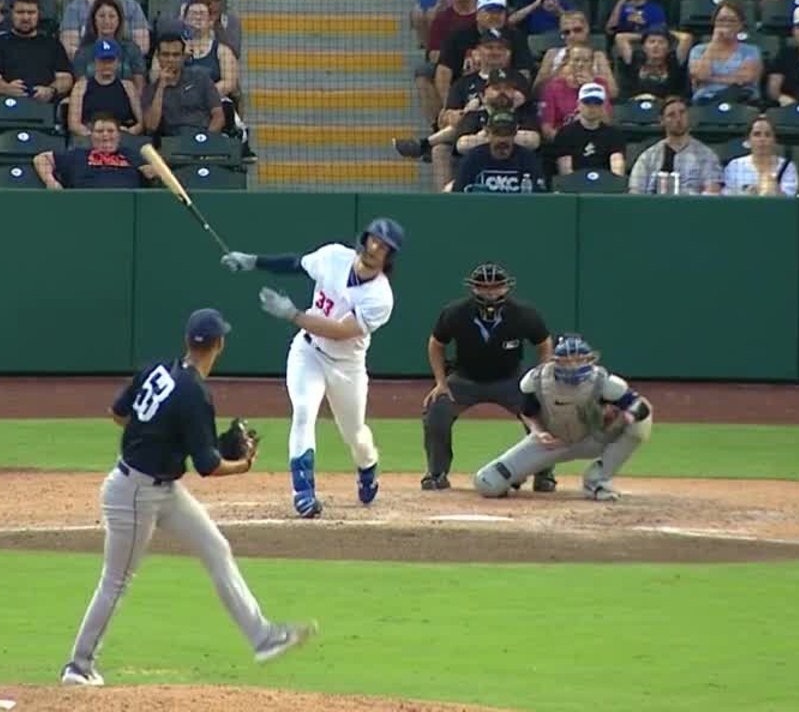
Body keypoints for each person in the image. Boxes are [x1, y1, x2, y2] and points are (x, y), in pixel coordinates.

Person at [59, 308, 317, 689]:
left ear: (187, 341)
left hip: (162, 489)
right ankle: (78, 666)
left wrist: (155, 431)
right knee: (116, 581)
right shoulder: (195, 393)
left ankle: (263, 637)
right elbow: (208, 466)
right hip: (133, 493)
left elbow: (117, 414)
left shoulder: (157, 370)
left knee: (216, 548)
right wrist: (243, 465)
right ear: (220, 345)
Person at [218, 218, 406, 519]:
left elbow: (339, 331)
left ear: (389, 256)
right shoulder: (334, 256)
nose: (374, 247)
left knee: (355, 434)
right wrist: (252, 261)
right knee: (304, 411)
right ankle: (303, 492)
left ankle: (367, 467)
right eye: (373, 239)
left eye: (383, 246)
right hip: (308, 352)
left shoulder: (380, 297)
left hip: (348, 366)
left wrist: (292, 313)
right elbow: (296, 264)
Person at [473, 334, 654, 502]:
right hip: (553, 441)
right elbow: (527, 412)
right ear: (556, 361)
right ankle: (518, 475)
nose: (573, 366)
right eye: (567, 361)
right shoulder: (536, 380)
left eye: (579, 360)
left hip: (594, 438)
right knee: (487, 483)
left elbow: (641, 406)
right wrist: (539, 432)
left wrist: (623, 418)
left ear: (590, 360)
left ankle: (597, 480)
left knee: (640, 425)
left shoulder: (604, 382)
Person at [422, 262, 554, 491]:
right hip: (465, 379)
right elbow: (436, 343)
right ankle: (436, 473)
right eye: (483, 287)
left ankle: (544, 475)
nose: (490, 292)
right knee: (437, 408)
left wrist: (541, 379)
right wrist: (441, 382)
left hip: (511, 380)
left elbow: (544, 343)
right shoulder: (456, 313)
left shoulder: (523, 314)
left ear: (506, 288)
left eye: (496, 287)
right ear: (473, 288)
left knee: (544, 411)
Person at [33, 111, 152, 190]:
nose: (105, 135)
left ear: (119, 135)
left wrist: (152, 170)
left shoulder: (131, 155)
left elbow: (148, 171)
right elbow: (41, 159)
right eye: (100, 131)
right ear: (91, 136)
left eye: (110, 131)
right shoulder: (77, 155)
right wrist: (51, 181)